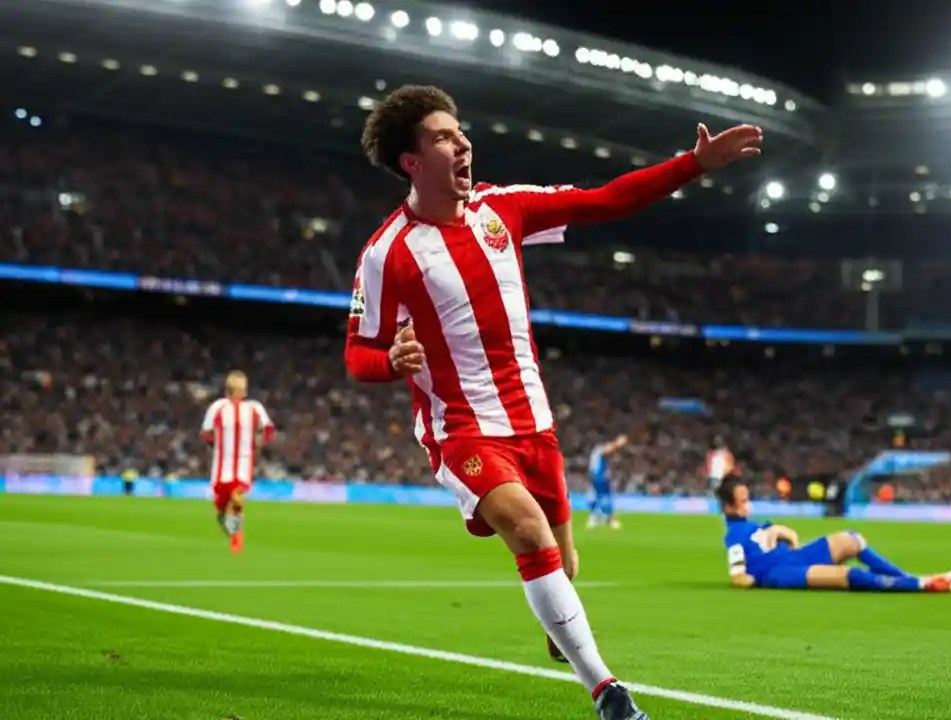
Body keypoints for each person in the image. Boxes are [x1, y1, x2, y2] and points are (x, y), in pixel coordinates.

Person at [343, 84, 762, 720]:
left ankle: (559, 621)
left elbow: (604, 201)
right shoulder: (387, 254)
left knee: (563, 563)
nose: (463, 144)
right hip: (463, 431)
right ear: (411, 161)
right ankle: (609, 693)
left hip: (534, 423)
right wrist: (390, 362)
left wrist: (693, 165)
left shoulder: (502, 210)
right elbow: (357, 353)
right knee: (528, 530)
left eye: (462, 132)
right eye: (444, 137)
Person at [717, 479, 951, 593]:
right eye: (742, 500)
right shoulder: (734, 537)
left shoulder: (755, 525)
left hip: (795, 557)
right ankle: (929, 584)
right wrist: (753, 579)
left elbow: (788, 534)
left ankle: (906, 578)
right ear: (729, 507)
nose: (747, 504)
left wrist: (780, 532)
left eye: (747, 498)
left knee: (851, 539)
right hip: (780, 574)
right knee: (847, 577)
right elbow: (739, 576)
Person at [200, 370, 274, 554]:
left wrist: (259, 442)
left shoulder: (248, 407)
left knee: (236, 497)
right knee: (223, 506)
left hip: (234, 465)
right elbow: (205, 432)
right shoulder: (222, 407)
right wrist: (217, 445)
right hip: (229, 466)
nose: (243, 392)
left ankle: (236, 541)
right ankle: (229, 524)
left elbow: (268, 428)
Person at [587, 434, 628, 530]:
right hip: (599, 478)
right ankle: (606, 519)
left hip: (597, 477)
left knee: (601, 498)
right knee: (602, 498)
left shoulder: (596, 452)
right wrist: (617, 443)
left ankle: (603, 518)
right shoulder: (600, 450)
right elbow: (608, 450)